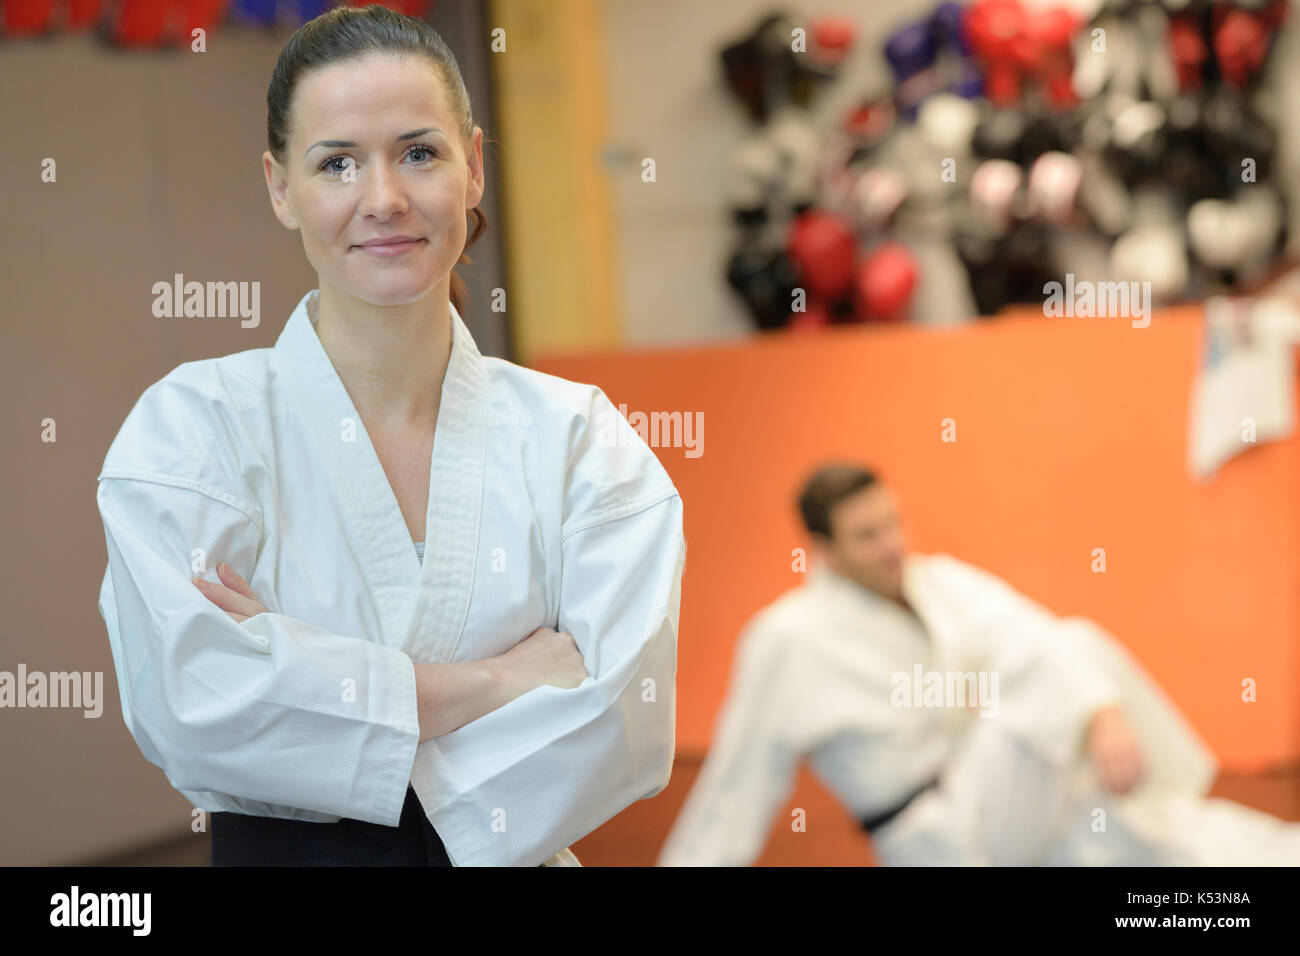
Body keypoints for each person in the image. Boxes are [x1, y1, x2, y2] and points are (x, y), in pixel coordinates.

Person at [94, 5, 685, 868]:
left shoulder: (579, 440)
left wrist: (300, 684)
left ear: (474, 167)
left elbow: (625, 720)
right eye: (337, 163)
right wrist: (495, 681)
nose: (384, 200)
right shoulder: (194, 428)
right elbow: (193, 703)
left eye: (419, 152)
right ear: (279, 187)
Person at [657, 463, 1299, 866]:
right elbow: (736, 785)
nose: (892, 546)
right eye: (867, 536)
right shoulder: (787, 639)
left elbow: (1031, 634)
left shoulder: (936, 581)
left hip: (994, 790)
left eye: (893, 523)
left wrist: (1100, 715)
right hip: (933, 837)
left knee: (1150, 842)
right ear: (821, 550)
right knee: (1053, 673)